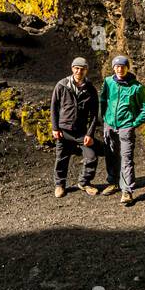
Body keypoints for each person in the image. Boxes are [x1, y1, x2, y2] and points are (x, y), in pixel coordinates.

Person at [100, 55, 145, 204]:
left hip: (126, 126)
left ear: (127, 68)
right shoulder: (108, 82)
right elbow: (103, 100)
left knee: (126, 159)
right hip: (110, 125)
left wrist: (134, 123)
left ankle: (127, 191)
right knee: (110, 155)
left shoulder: (137, 87)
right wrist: (105, 118)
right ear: (113, 68)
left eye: (122, 66)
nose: (119, 69)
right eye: (117, 66)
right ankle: (113, 182)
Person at [50, 57, 101, 197]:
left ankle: (84, 182)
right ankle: (60, 185)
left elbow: (94, 114)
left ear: (86, 71)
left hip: (82, 132)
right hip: (63, 130)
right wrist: (55, 128)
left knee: (91, 157)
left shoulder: (90, 89)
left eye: (82, 69)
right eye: (77, 68)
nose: (79, 71)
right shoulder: (61, 85)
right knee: (61, 158)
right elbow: (54, 108)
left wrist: (90, 134)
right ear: (72, 69)